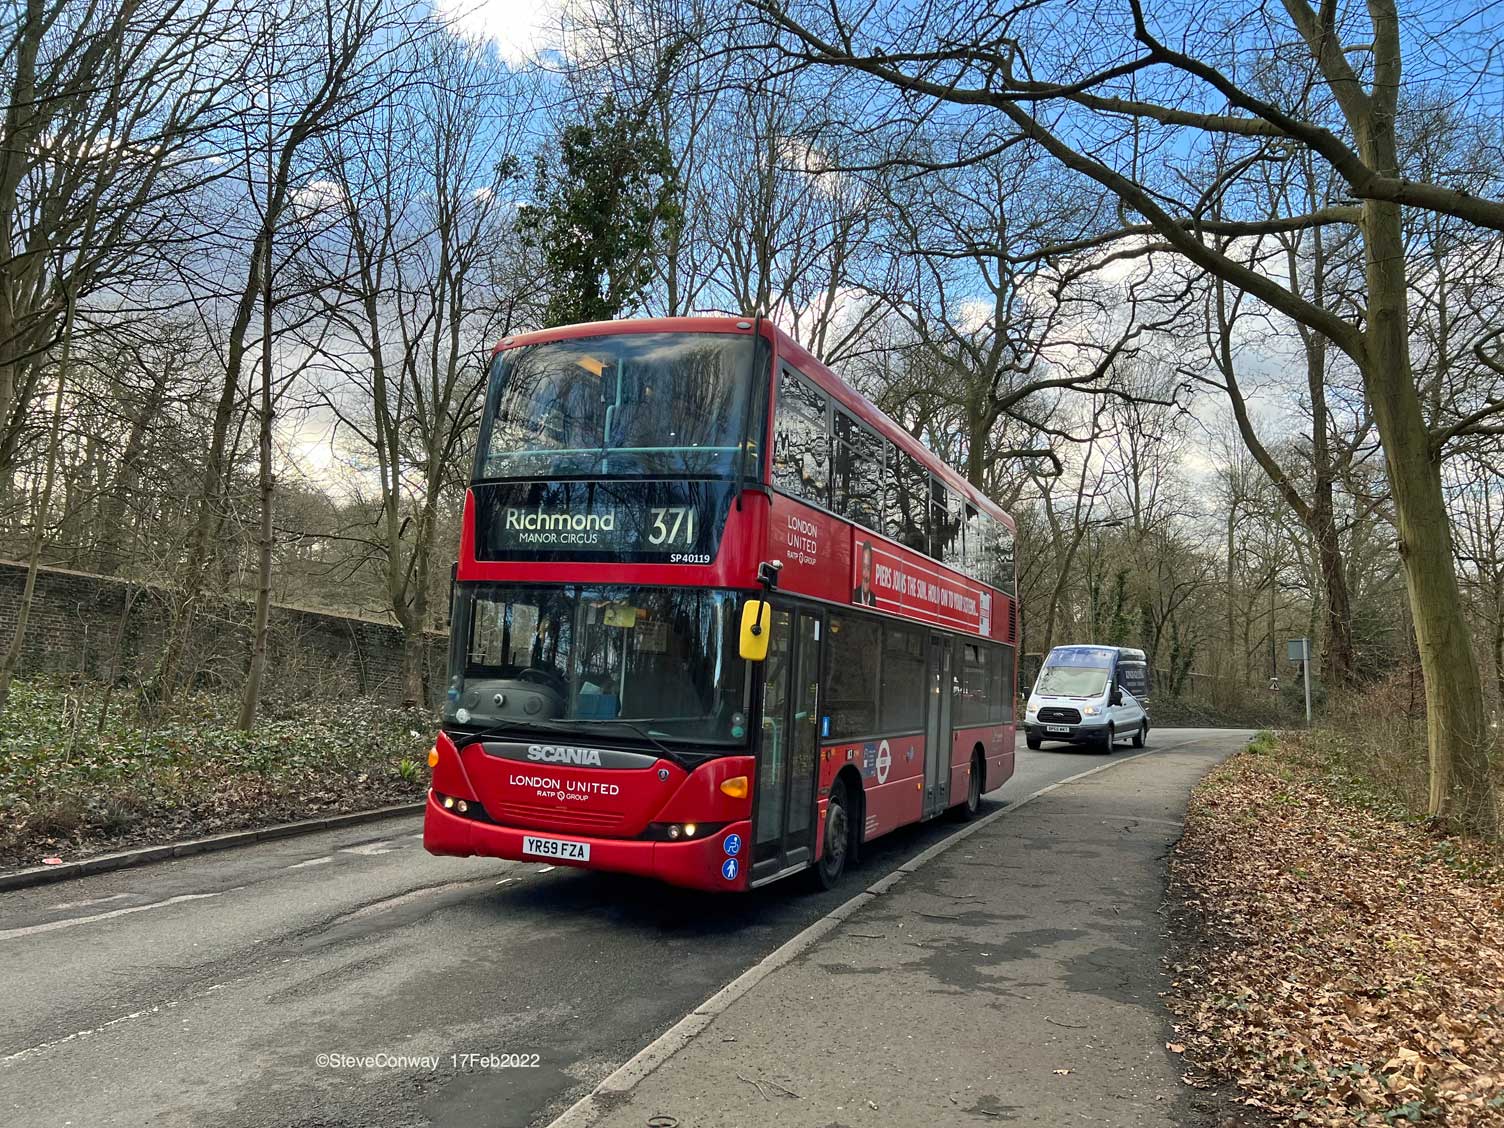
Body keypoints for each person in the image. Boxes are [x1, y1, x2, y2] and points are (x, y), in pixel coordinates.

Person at [852, 541, 877, 606]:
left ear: (871, 570)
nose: (865, 575)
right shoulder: (854, 595)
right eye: (864, 568)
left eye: (868, 568)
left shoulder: (873, 598)